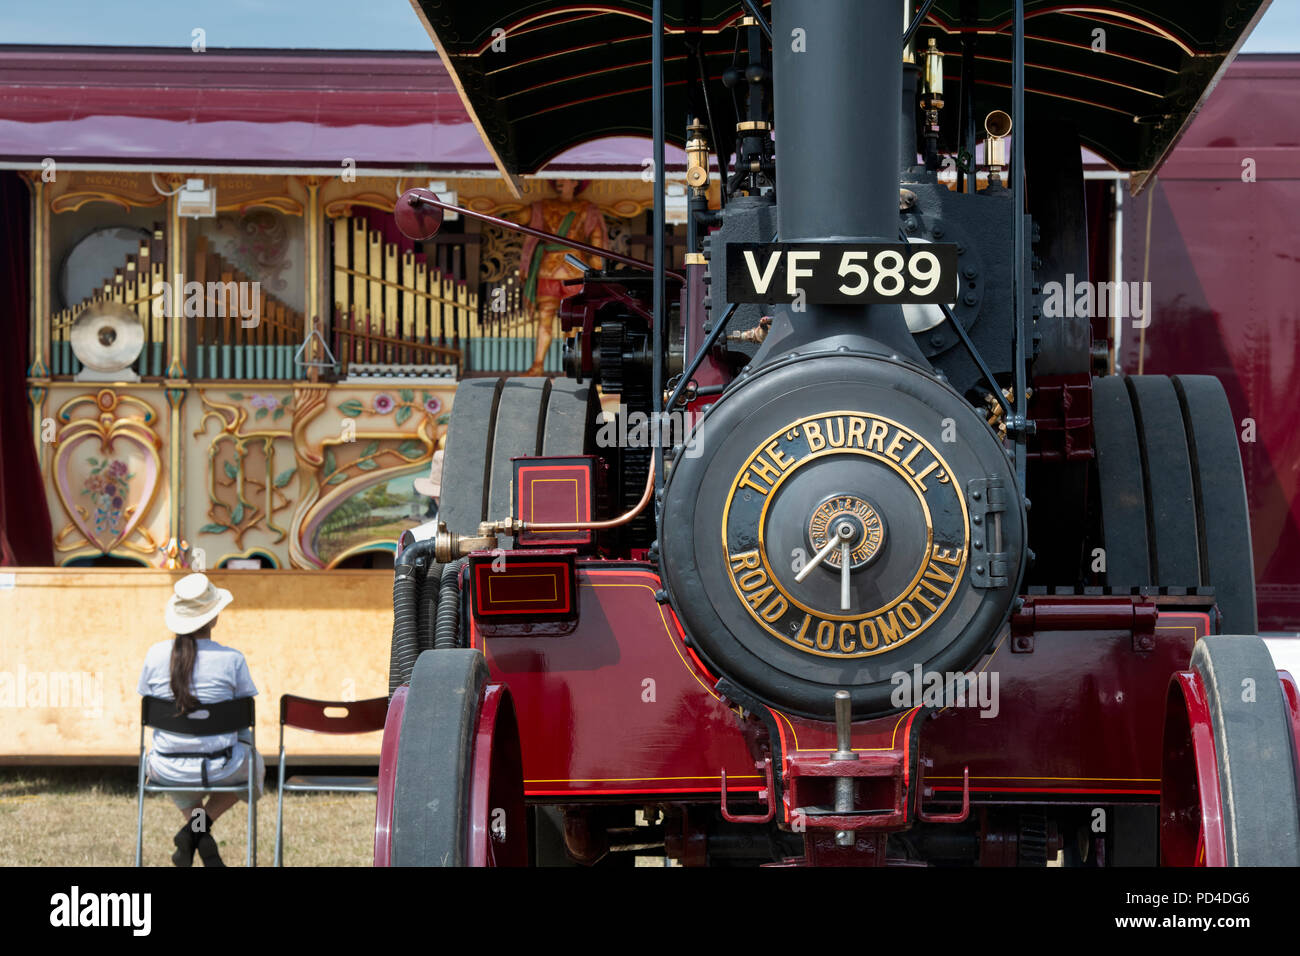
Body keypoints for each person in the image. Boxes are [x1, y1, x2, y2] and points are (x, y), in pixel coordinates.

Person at [137, 572, 264, 867]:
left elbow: (146, 699)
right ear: (214, 616)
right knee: (253, 764)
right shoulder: (233, 659)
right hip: (222, 766)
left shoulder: (155, 655)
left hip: (166, 768)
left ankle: (195, 835)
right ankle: (197, 832)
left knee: (174, 763)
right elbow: (245, 709)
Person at [517, 178, 606, 376]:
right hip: (547, 269)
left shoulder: (586, 208)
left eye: (565, 179)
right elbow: (522, 218)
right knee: (544, 319)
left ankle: (573, 367)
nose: (560, 182)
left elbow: (596, 236)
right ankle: (538, 365)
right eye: (557, 179)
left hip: (574, 269)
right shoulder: (543, 206)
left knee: (574, 321)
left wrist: (597, 265)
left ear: (576, 182)